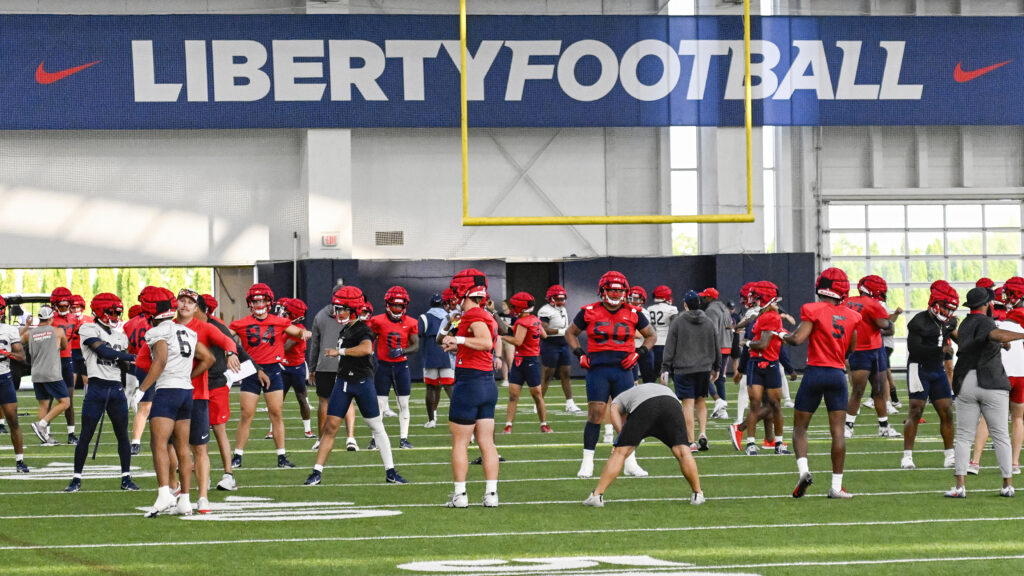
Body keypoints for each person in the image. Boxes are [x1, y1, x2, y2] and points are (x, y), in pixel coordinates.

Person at [303, 286, 407, 486]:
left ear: (353, 309)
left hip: (361, 382)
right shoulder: (346, 328)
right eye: (337, 308)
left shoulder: (362, 329)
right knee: (330, 427)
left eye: (341, 309)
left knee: (376, 426)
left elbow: (366, 349)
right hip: (343, 382)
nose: (337, 312)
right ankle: (316, 472)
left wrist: (340, 353)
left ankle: (391, 471)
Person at [565, 271, 655, 479]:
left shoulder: (634, 312)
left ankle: (630, 462)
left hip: (623, 368)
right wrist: (579, 353)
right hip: (598, 368)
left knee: (625, 417)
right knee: (596, 414)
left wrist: (639, 353)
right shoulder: (588, 311)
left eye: (619, 291)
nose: (615, 295)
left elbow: (651, 335)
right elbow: (570, 332)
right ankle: (587, 462)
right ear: (602, 291)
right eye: (611, 290)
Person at [782, 268, 860, 499]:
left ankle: (804, 471)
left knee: (800, 428)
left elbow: (797, 339)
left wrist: (781, 335)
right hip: (837, 375)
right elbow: (852, 349)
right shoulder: (852, 315)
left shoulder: (813, 310)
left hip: (815, 371)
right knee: (838, 432)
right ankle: (836, 486)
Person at [137, 288, 214, 517]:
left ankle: (163, 494)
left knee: (158, 443)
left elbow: (160, 360)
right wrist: (187, 376)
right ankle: (185, 500)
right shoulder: (187, 331)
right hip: (187, 393)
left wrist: (141, 390)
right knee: (183, 448)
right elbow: (208, 358)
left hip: (168, 391)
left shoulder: (157, 331)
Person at [946, 287, 1024, 498]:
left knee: (963, 436)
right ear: (986, 304)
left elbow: (971, 344)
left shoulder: (965, 324)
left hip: (966, 381)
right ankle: (1007, 484)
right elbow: (994, 334)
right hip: (991, 381)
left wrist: (1002, 345)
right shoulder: (987, 322)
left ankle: (960, 486)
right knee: (1000, 435)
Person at [172, 288, 241, 514]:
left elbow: (227, 342)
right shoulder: (167, 327)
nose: (185, 305)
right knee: (173, 446)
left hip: (197, 394)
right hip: (172, 393)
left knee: (200, 448)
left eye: (189, 302)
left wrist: (231, 353)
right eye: (181, 301)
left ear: (196, 307)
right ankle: (178, 491)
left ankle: (202, 497)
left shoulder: (205, 328)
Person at [583, 382, 704, 507]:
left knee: (620, 453)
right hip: (672, 404)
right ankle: (698, 494)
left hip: (646, 407)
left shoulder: (619, 400)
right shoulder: (642, 391)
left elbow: (614, 411)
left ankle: (597, 495)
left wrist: (620, 440)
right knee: (683, 451)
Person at [64, 293, 139, 493]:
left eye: (118, 313)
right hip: (96, 388)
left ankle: (126, 478)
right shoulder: (89, 328)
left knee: (122, 435)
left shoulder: (121, 336)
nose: (115, 316)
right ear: (100, 311)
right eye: (112, 312)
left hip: (115, 388)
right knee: (85, 435)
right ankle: (76, 479)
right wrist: (131, 356)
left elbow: (123, 365)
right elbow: (104, 352)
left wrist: (141, 363)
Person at [228, 283, 308, 469]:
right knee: (246, 414)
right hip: (251, 371)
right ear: (250, 303)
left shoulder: (280, 322)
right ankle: (237, 456)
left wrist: (305, 333)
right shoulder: (240, 323)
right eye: (255, 301)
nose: (259, 304)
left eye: (262, 300)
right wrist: (229, 351)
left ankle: (281, 456)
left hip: (273, 369)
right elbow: (224, 336)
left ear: (269, 302)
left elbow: (298, 333)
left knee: (276, 413)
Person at [440, 269, 501, 507]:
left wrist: (460, 340)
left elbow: (485, 342)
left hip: (470, 383)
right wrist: (456, 343)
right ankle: (491, 494)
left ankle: (460, 495)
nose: (454, 296)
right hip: (487, 383)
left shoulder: (474, 315)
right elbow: (481, 344)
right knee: (486, 441)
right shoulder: (485, 314)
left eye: (456, 291)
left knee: (460, 442)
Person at [901, 281, 958, 470]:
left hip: (937, 370)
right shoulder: (919, 321)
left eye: (950, 309)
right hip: (919, 368)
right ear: (935, 303)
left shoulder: (949, 321)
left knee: (947, 412)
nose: (947, 312)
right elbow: (914, 349)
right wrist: (940, 350)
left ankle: (949, 455)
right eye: (945, 307)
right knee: (916, 410)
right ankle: (907, 456)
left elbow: (960, 338)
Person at [661, 290, 720, 452]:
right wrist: (717, 367)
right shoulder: (708, 322)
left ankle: (691, 441)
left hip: (683, 368)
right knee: (701, 401)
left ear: (685, 304)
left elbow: (670, 347)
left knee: (687, 403)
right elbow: (716, 345)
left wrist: (665, 367)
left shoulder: (678, 322)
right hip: (703, 368)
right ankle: (702, 433)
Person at [843, 275, 902, 438]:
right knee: (875, 391)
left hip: (858, 350)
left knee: (859, 391)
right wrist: (887, 323)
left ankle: (852, 426)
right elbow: (886, 327)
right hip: (873, 350)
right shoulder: (873, 304)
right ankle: (874, 426)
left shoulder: (848, 301)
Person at [367, 286, 420, 449]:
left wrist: (402, 350)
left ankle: (403, 439)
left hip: (401, 367)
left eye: (400, 305)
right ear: (387, 305)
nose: (397, 308)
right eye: (394, 305)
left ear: (405, 306)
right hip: (383, 367)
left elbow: (415, 345)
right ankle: (375, 439)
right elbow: (369, 339)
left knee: (403, 404)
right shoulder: (377, 320)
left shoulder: (411, 322)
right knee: (380, 404)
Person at [308, 290, 358, 452]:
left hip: (325, 364)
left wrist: (312, 367)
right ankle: (350, 438)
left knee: (324, 402)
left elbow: (315, 345)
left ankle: (321, 439)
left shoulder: (320, 315)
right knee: (348, 400)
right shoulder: (350, 314)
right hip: (347, 363)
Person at [743, 281, 790, 455]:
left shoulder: (771, 316)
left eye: (755, 296)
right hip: (758, 363)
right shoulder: (762, 314)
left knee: (774, 404)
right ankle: (751, 443)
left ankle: (777, 443)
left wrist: (747, 343)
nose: (752, 299)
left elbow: (762, 344)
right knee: (756, 404)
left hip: (768, 363)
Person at [500, 292, 550, 434]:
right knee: (535, 395)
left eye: (514, 306)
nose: (512, 309)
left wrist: (502, 336)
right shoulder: (534, 319)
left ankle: (509, 425)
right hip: (530, 360)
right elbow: (544, 335)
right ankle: (543, 425)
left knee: (515, 396)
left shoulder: (522, 321)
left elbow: (517, 341)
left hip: (524, 361)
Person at [24, 305, 70, 447]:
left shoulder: (30, 333)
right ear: (51, 318)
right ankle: (41, 424)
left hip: (36, 373)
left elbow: (17, 341)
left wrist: (27, 326)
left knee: (44, 404)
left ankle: (45, 437)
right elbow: (64, 346)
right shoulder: (58, 331)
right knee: (65, 402)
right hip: (52, 373)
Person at [270, 297, 315, 440]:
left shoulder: (299, 330)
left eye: (287, 311)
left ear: (295, 315)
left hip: (296, 368)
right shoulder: (285, 324)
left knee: (302, 399)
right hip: (283, 367)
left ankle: (308, 430)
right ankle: (272, 430)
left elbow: (284, 348)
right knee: (277, 400)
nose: (283, 312)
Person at [538, 285, 581, 414]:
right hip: (550, 344)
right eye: (558, 298)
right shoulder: (545, 310)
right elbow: (543, 329)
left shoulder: (562, 309)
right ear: (551, 298)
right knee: (547, 375)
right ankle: (538, 402)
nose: (561, 301)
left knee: (566, 374)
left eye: (562, 298)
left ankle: (570, 403)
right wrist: (561, 331)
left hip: (563, 343)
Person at [0, 295, 29, 472]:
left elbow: (22, 357)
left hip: (4, 378)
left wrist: (5, 353)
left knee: (13, 420)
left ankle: (20, 461)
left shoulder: (9, 330)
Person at [47, 288, 78, 445]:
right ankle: (46, 433)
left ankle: (71, 434)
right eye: (62, 306)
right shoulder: (49, 319)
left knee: (69, 399)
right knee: (50, 398)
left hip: (67, 361)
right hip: (52, 361)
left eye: (67, 306)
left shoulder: (74, 318)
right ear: (54, 305)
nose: (64, 309)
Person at [419, 293, 454, 428]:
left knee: (431, 387)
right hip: (447, 354)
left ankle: (432, 420)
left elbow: (419, 333)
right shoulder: (449, 317)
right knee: (450, 387)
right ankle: (461, 418)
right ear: (443, 304)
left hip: (430, 354)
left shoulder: (424, 317)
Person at [1002, 277, 1024, 476]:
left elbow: (1001, 337)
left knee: (989, 416)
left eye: (1009, 293)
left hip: (1011, 371)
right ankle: (1015, 462)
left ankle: (974, 461)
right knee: (1018, 418)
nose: (1006, 297)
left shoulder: (1015, 316)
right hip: (1022, 373)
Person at [700, 287, 732, 419]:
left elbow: (711, 331)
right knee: (720, 378)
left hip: (716, 346)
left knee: (703, 376)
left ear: (710, 298)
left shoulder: (711, 310)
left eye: (705, 297)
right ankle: (722, 410)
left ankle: (718, 400)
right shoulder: (724, 308)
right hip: (726, 346)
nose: (703, 299)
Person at [646, 285, 678, 391]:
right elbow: (674, 326)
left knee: (652, 373)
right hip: (665, 343)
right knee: (669, 370)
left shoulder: (649, 309)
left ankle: (648, 395)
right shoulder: (671, 309)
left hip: (651, 343)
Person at [627, 286, 655, 384]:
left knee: (648, 380)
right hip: (630, 348)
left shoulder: (643, 312)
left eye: (636, 298)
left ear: (642, 300)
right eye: (631, 298)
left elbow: (639, 334)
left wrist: (624, 331)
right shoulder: (625, 310)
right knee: (632, 381)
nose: (633, 301)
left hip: (642, 348)